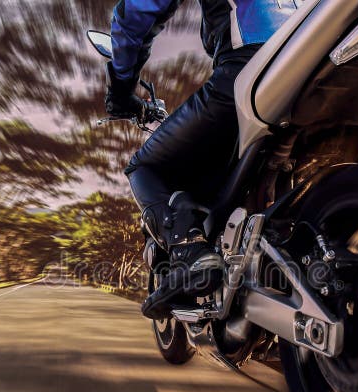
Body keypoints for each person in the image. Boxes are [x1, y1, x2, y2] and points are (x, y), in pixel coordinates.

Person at [106, 0, 298, 319]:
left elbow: (135, 13)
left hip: (256, 64)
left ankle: (190, 251)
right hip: (337, 57)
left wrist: (120, 89)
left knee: (144, 167)